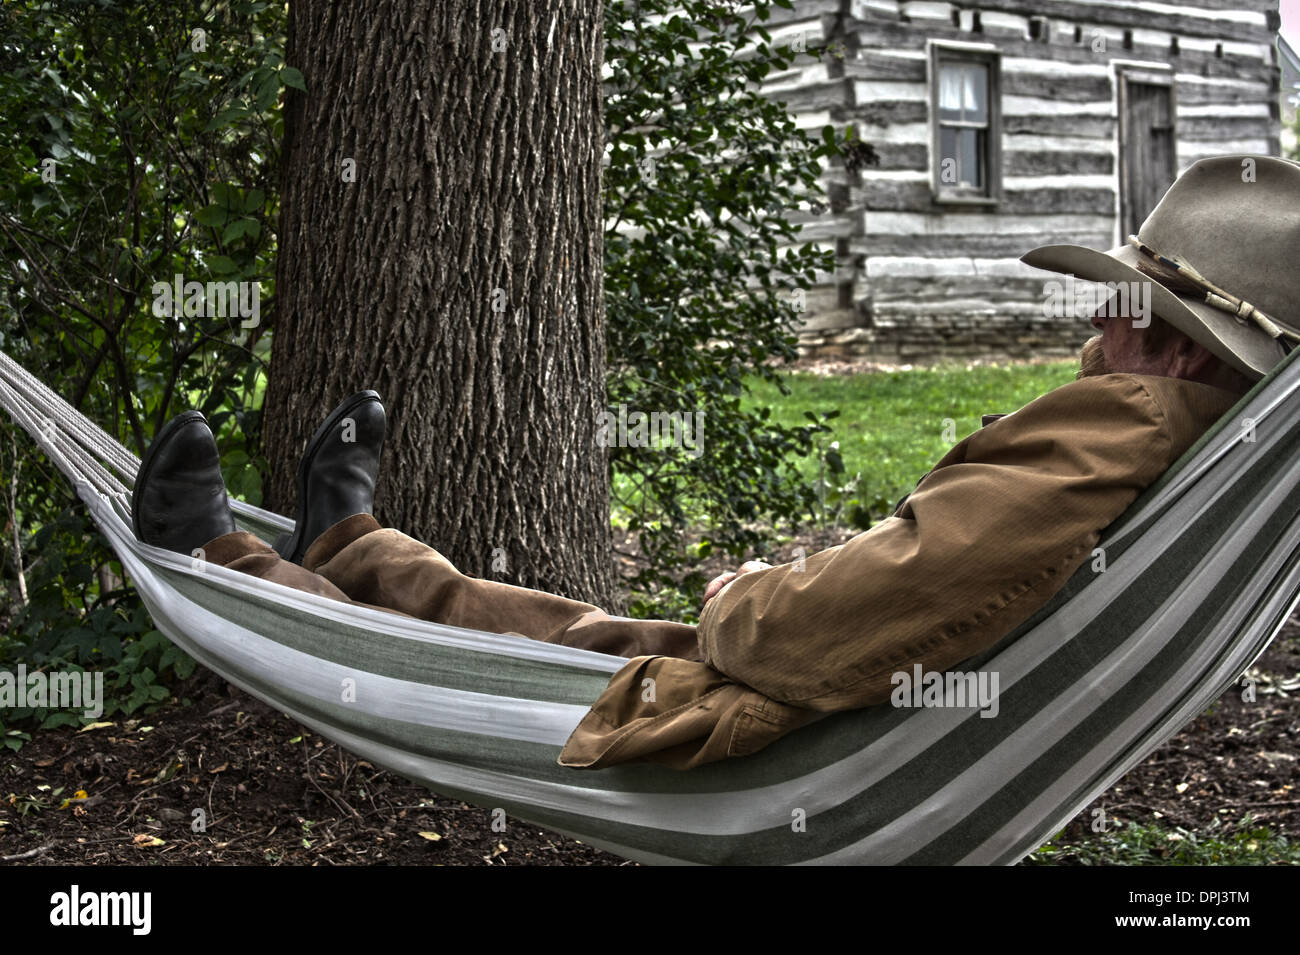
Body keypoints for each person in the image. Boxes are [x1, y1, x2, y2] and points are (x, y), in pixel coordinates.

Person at [131, 154, 1300, 770]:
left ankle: (220, 554)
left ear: (1163, 335)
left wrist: (743, 597)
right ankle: (349, 541)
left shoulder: (1123, 422)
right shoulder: (1203, 451)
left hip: (761, 729)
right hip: (826, 707)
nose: (1092, 333)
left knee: (464, 657)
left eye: (1117, 310)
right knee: (557, 626)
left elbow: (823, 625)